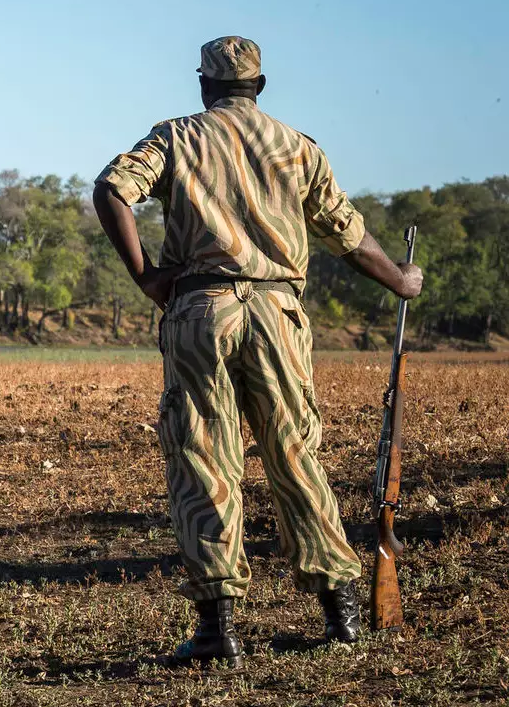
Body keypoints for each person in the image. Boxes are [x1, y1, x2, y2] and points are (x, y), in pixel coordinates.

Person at [93, 37, 423, 667]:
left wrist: (145, 276)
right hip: (278, 312)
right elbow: (348, 235)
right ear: (261, 86)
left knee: (202, 455)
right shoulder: (298, 146)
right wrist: (401, 281)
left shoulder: (174, 137)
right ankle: (340, 611)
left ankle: (218, 630)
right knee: (295, 451)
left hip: (200, 308)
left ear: (203, 85)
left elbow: (112, 189)